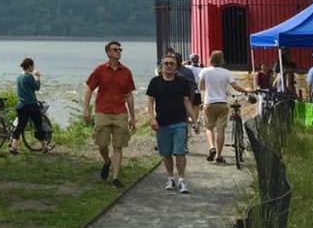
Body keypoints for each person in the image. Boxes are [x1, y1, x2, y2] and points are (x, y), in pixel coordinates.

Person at [83, 40, 137, 188]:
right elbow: (89, 89)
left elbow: (129, 95)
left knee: (118, 146)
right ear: (108, 53)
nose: (118, 51)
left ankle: (115, 178)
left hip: (120, 112)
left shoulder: (126, 72)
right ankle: (107, 161)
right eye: (115, 49)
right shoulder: (100, 70)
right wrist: (86, 109)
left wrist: (133, 117)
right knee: (101, 143)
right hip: (103, 111)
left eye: (120, 49)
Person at [146, 53, 199, 194]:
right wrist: (152, 118)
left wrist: (194, 121)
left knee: (180, 151)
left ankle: (181, 179)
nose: (169, 66)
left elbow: (187, 101)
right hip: (162, 122)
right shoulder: (155, 82)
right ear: (161, 66)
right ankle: (170, 177)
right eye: (166, 63)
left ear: (176, 67)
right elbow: (150, 102)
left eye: (172, 64)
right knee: (166, 153)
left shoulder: (182, 82)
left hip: (179, 122)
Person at [198, 50, 249, 164]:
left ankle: (212, 148)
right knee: (220, 130)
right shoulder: (226, 72)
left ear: (210, 59)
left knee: (209, 128)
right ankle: (219, 155)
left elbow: (201, 87)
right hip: (222, 103)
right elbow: (235, 86)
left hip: (209, 103)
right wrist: (245, 91)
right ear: (222, 60)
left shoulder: (204, 71)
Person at [9, 58, 50, 154]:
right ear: (30, 66)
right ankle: (44, 146)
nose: (33, 68)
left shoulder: (18, 77)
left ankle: (13, 147)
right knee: (38, 126)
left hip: (21, 105)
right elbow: (37, 87)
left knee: (20, 126)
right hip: (31, 106)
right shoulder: (29, 77)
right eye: (33, 66)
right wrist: (38, 77)